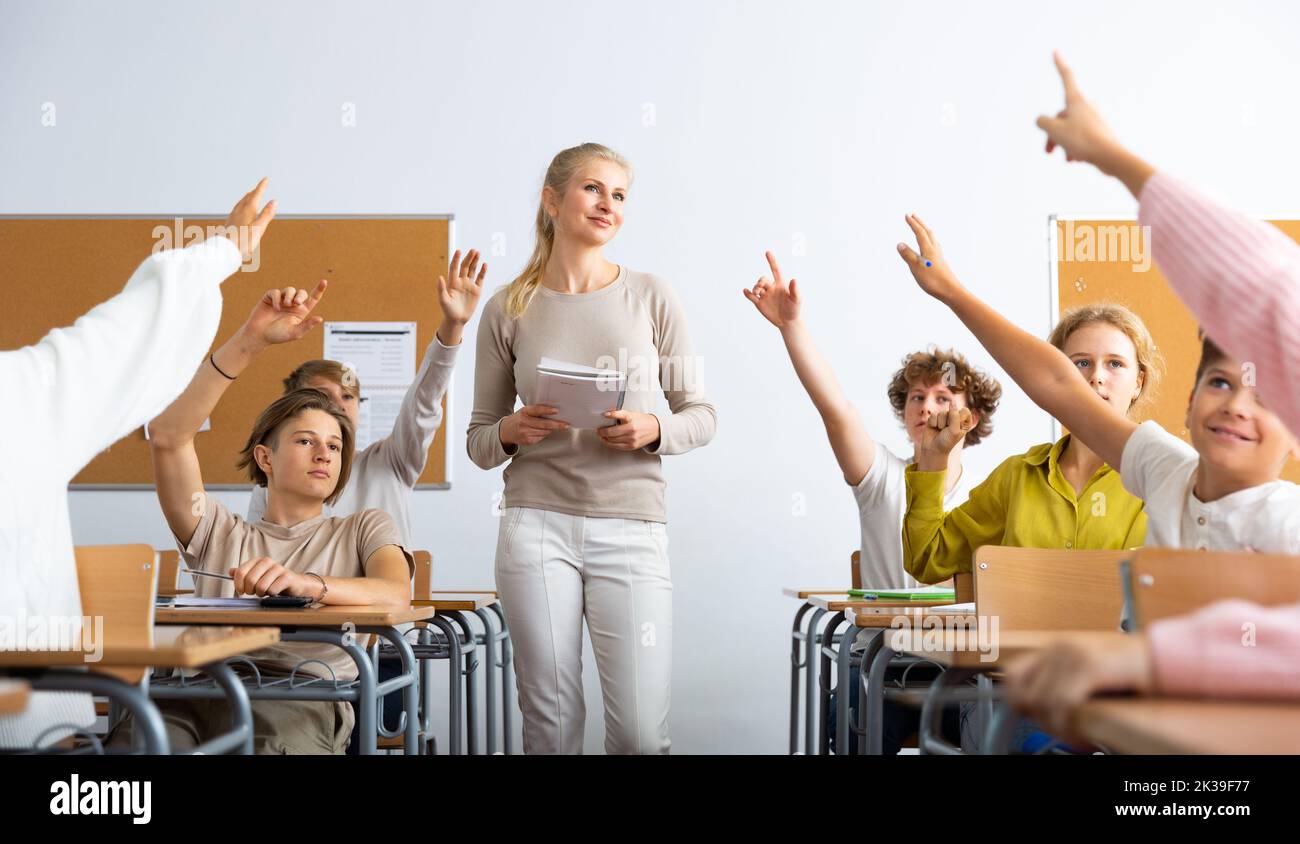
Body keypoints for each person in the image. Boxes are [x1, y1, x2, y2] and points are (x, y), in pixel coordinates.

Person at [0, 179, 274, 750]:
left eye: (334, 443)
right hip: (26, 719)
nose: (323, 454)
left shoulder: (361, 526)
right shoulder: (19, 398)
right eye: (306, 439)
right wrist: (227, 256)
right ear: (263, 456)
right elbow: (133, 365)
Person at [467, 143, 717, 754]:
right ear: (552, 200)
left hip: (631, 526)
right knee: (550, 726)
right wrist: (513, 429)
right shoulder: (507, 308)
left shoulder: (652, 296)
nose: (608, 204)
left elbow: (702, 416)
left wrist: (653, 429)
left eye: (620, 195)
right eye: (593, 189)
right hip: (534, 526)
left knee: (638, 732)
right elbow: (479, 441)